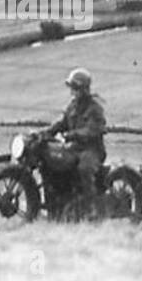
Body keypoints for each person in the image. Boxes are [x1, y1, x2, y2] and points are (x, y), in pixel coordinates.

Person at [45, 68, 106, 200]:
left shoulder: (95, 108)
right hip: (74, 148)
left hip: (92, 150)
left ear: (83, 89)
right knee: (54, 162)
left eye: (75, 89)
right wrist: (45, 132)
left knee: (84, 168)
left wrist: (72, 135)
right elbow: (62, 122)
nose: (72, 92)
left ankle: (91, 206)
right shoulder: (73, 106)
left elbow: (91, 130)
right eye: (72, 89)